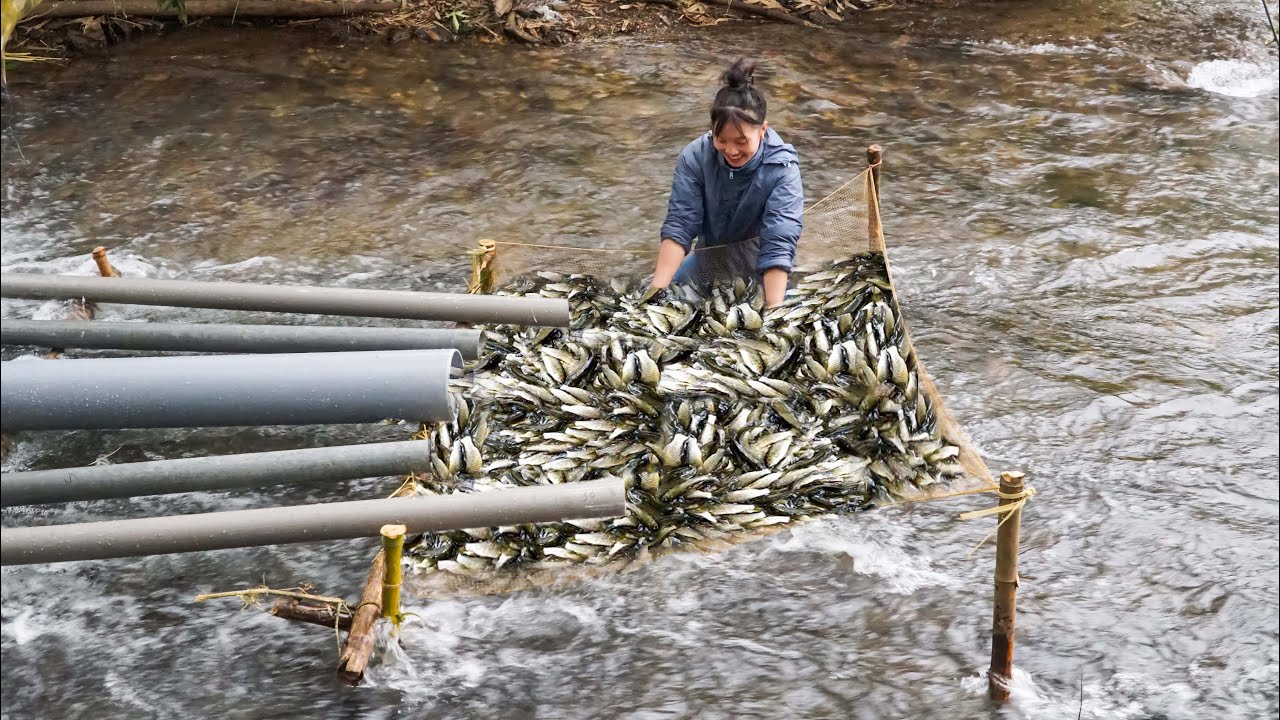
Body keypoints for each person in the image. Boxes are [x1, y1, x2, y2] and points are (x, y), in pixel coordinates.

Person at [647, 57, 803, 308]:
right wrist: (657, 290)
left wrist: (775, 311)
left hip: (761, 265)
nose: (731, 151)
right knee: (659, 297)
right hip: (708, 260)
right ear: (712, 131)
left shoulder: (782, 168)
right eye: (722, 140)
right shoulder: (695, 156)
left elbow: (779, 238)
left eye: (741, 142)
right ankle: (558, 314)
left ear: (763, 130)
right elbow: (681, 224)